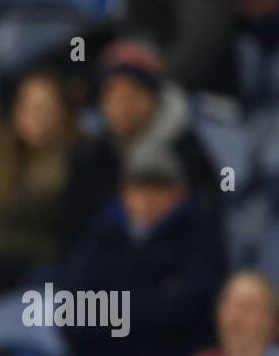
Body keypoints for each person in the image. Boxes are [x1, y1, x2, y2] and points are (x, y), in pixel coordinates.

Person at [51, 143, 226, 356]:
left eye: (160, 188)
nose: (148, 197)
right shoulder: (100, 237)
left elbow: (190, 310)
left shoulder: (198, 238)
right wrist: (149, 303)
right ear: (124, 193)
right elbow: (71, 314)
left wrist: (113, 309)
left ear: (180, 193)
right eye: (140, 187)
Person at [60, 39, 218, 252]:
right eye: (112, 98)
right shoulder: (93, 153)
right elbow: (77, 229)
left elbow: (207, 215)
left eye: (132, 95)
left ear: (154, 98)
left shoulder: (188, 148)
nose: (122, 107)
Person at [0, 68, 80, 310]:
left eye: (45, 109)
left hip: (45, 265)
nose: (36, 116)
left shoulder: (77, 162)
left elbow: (69, 233)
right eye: (28, 107)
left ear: (62, 115)